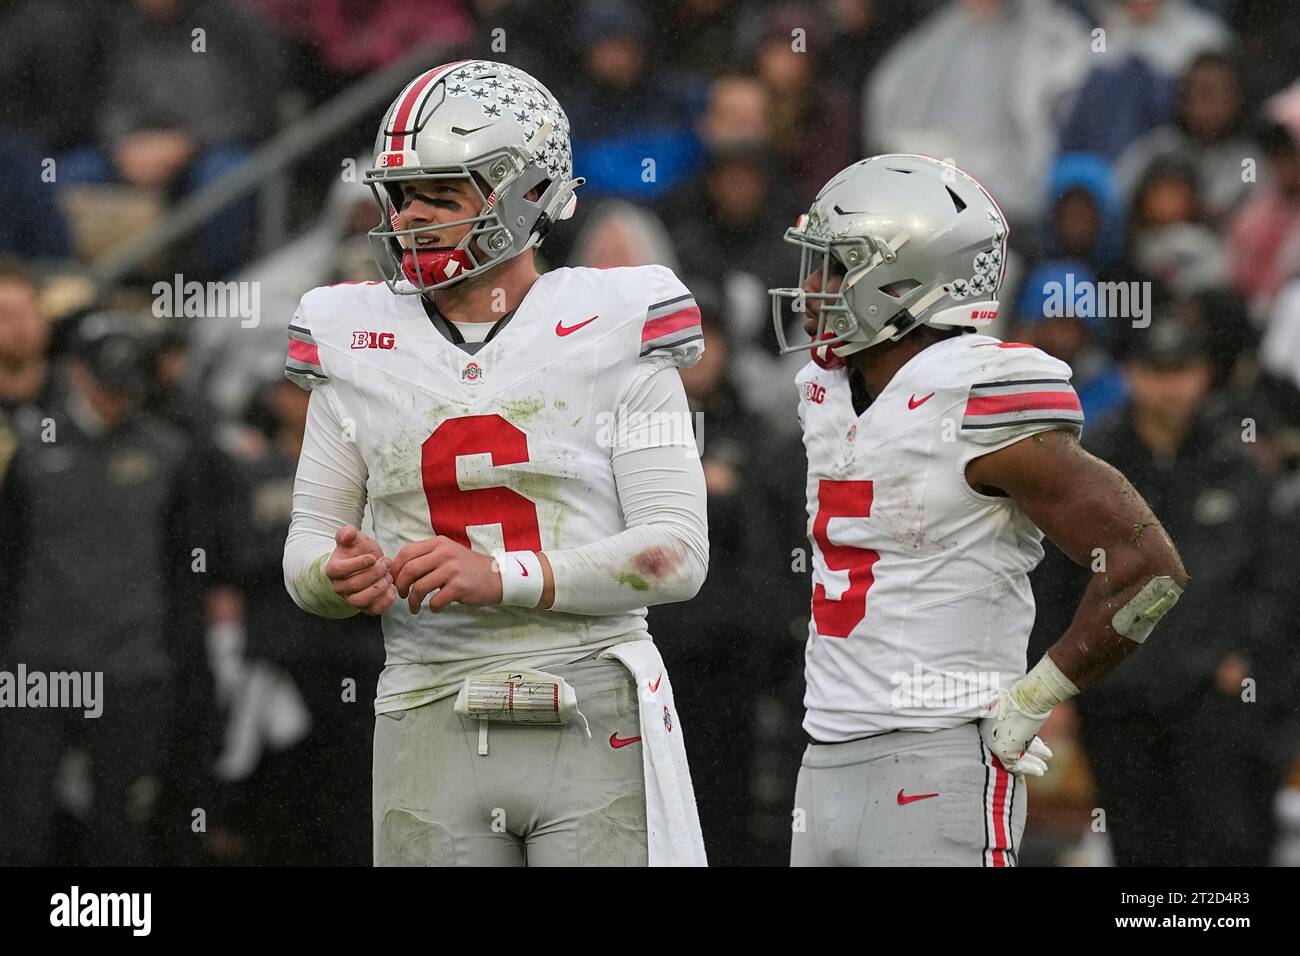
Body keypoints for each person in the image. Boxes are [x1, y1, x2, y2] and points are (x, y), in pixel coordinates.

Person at [281, 60, 709, 867]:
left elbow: (677, 554)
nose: (411, 217)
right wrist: (335, 579)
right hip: (426, 700)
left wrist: (500, 575)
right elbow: (307, 542)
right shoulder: (349, 331)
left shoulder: (618, 318)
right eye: (402, 195)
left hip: (593, 693)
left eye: (441, 195)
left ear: (528, 195)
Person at [768, 154, 1189, 866]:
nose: (812, 289)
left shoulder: (977, 396)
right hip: (827, 753)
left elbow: (1148, 566)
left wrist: (1034, 699)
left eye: (836, 267)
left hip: (941, 756)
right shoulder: (827, 389)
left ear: (907, 278)